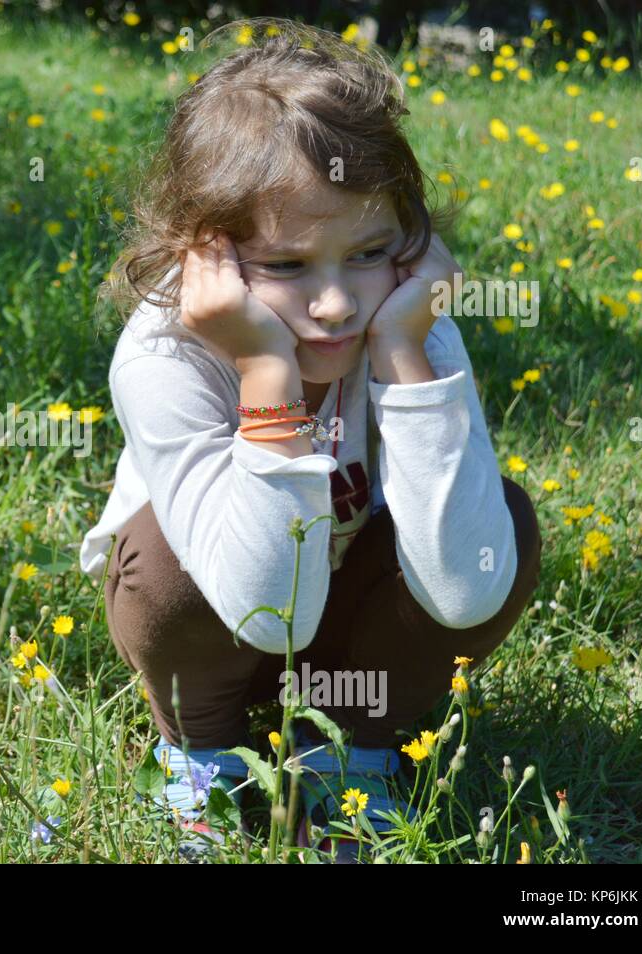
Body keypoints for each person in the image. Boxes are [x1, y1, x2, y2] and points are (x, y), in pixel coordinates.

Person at [82, 18, 542, 859]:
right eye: (288, 266)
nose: (335, 305)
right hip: (222, 625)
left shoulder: (407, 321)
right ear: (203, 255)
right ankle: (204, 754)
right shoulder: (164, 354)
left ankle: (353, 750)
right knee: (158, 555)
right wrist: (266, 373)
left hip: (359, 640)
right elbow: (269, 615)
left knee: (497, 528)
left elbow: (467, 592)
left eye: (368, 251)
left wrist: (404, 350)